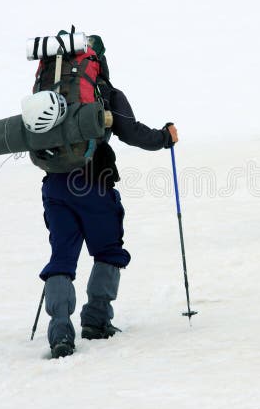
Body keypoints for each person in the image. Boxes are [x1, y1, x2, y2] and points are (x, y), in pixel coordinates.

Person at [39, 36, 178, 358]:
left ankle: (60, 331)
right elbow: (131, 132)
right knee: (107, 250)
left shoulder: (47, 93)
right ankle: (96, 320)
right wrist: (164, 138)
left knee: (61, 257)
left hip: (56, 185)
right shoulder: (105, 92)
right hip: (94, 184)